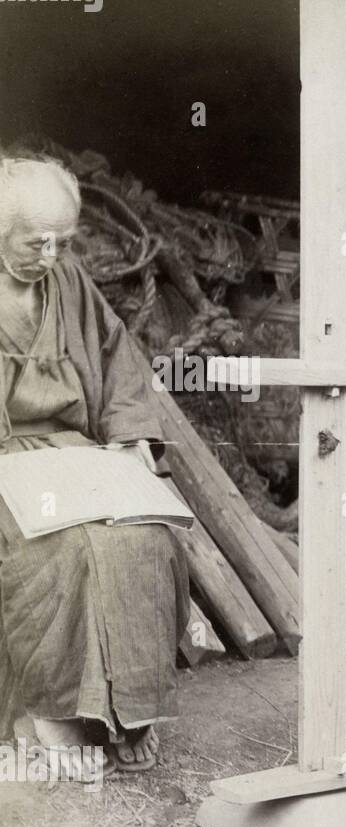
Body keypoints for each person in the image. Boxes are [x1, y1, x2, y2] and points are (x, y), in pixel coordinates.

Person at [0, 157, 188, 778]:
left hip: (80, 456)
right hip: (6, 462)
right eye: (36, 242)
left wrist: (131, 438)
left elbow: (119, 364)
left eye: (64, 241)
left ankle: (129, 710)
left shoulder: (71, 280)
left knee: (144, 536)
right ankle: (50, 711)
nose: (51, 255)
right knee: (63, 546)